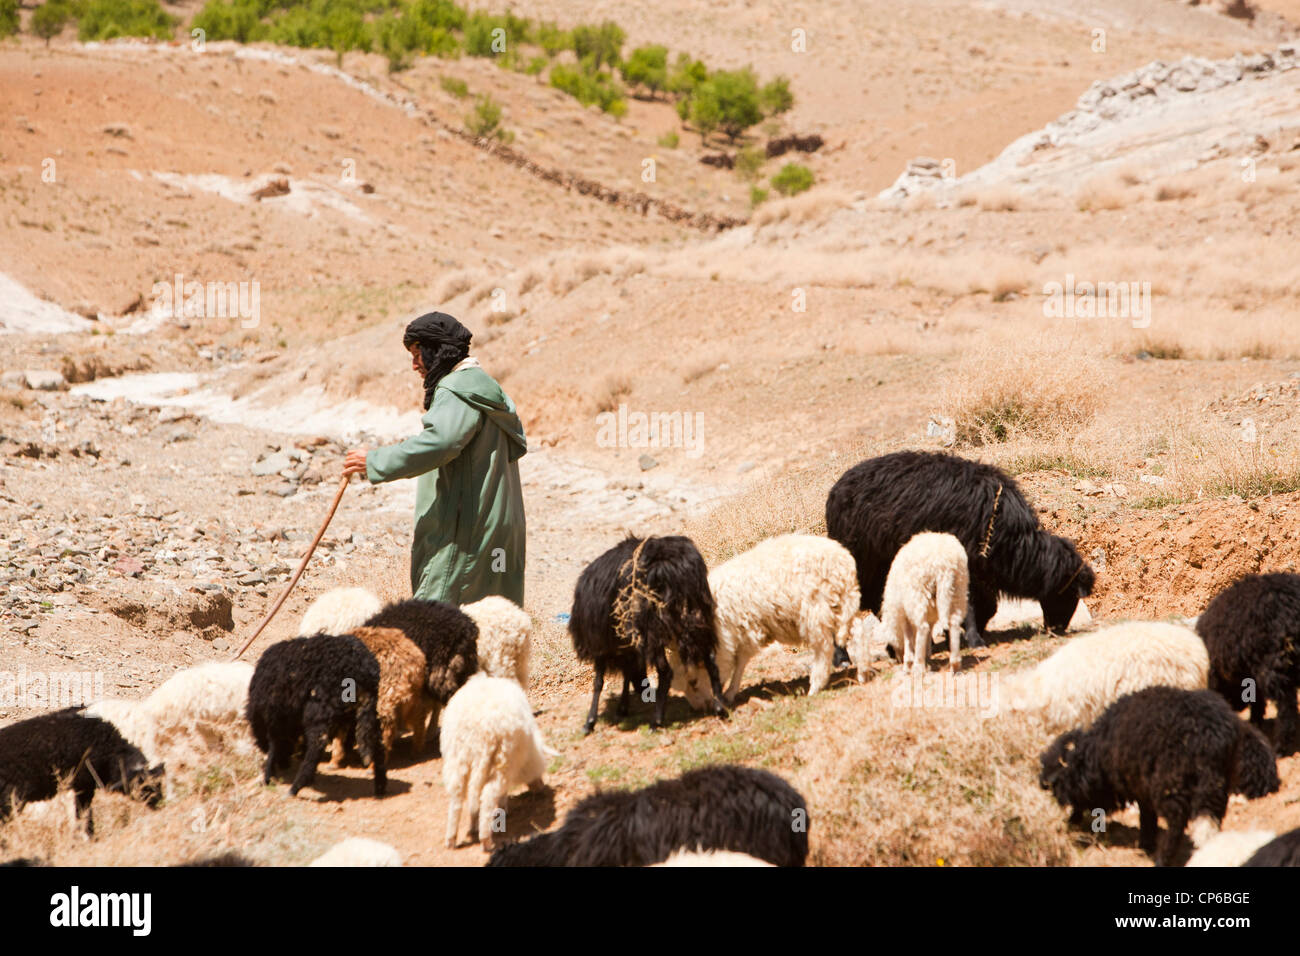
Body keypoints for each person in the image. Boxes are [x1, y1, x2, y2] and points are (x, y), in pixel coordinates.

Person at [342, 311, 527, 605]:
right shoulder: (484, 389)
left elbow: (442, 442)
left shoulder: (456, 390)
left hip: (468, 530)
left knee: (437, 619)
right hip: (499, 527)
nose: (414, 364)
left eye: (418, 353)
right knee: (488, 620)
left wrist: (375, 461)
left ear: (438, 352)